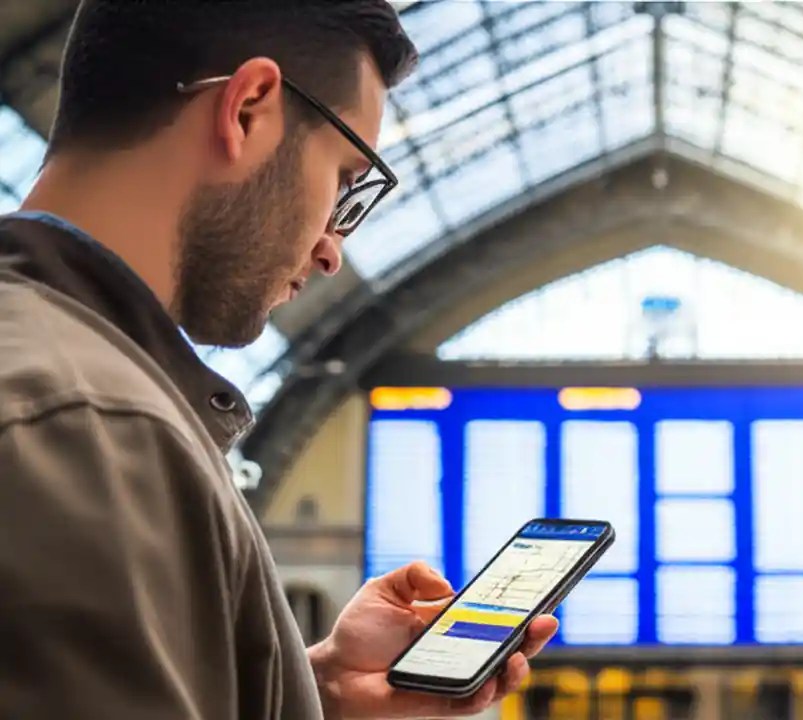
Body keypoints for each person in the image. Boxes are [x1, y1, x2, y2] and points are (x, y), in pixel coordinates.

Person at [0, 1, 557, 717]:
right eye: (345, 182)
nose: (331, 250)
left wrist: (313, 687)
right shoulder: (92, 423)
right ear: (249, 109)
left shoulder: (66, 375)